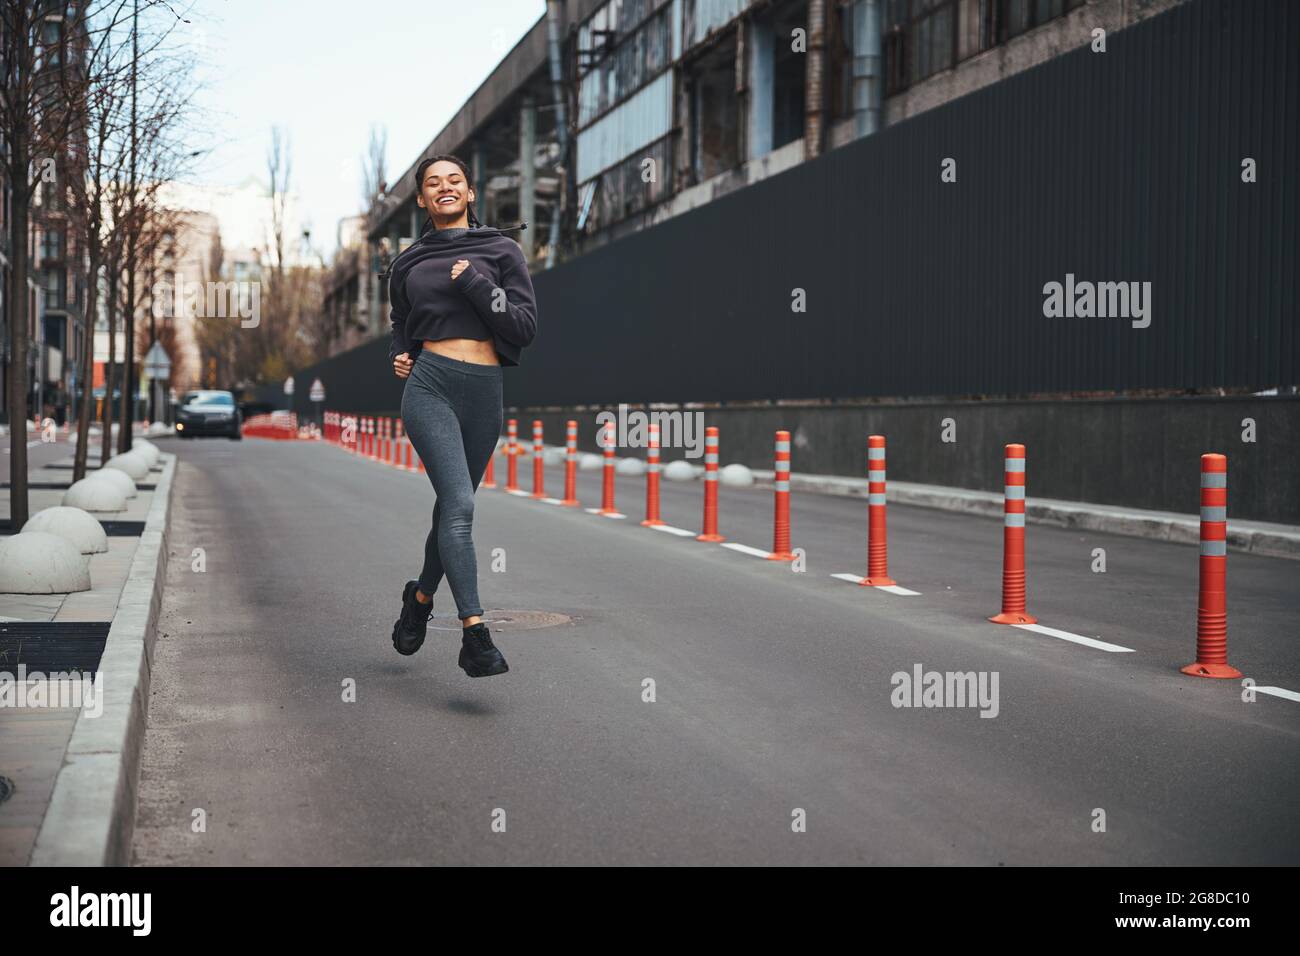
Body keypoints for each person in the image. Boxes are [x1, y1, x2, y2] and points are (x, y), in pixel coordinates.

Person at [387, 154, 538, 677]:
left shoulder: (501, 250)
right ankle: (476, 634)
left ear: (470, 193)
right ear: (423, 201)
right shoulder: (407, 262)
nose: (444, 188)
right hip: (430, 388)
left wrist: (475, 283)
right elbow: (400, 322)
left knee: (454, 507)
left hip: (485, 390)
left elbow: (522, 327)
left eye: (454, 180)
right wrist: (400, 353)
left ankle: (421, 599)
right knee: (458, 506)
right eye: (433, 184)